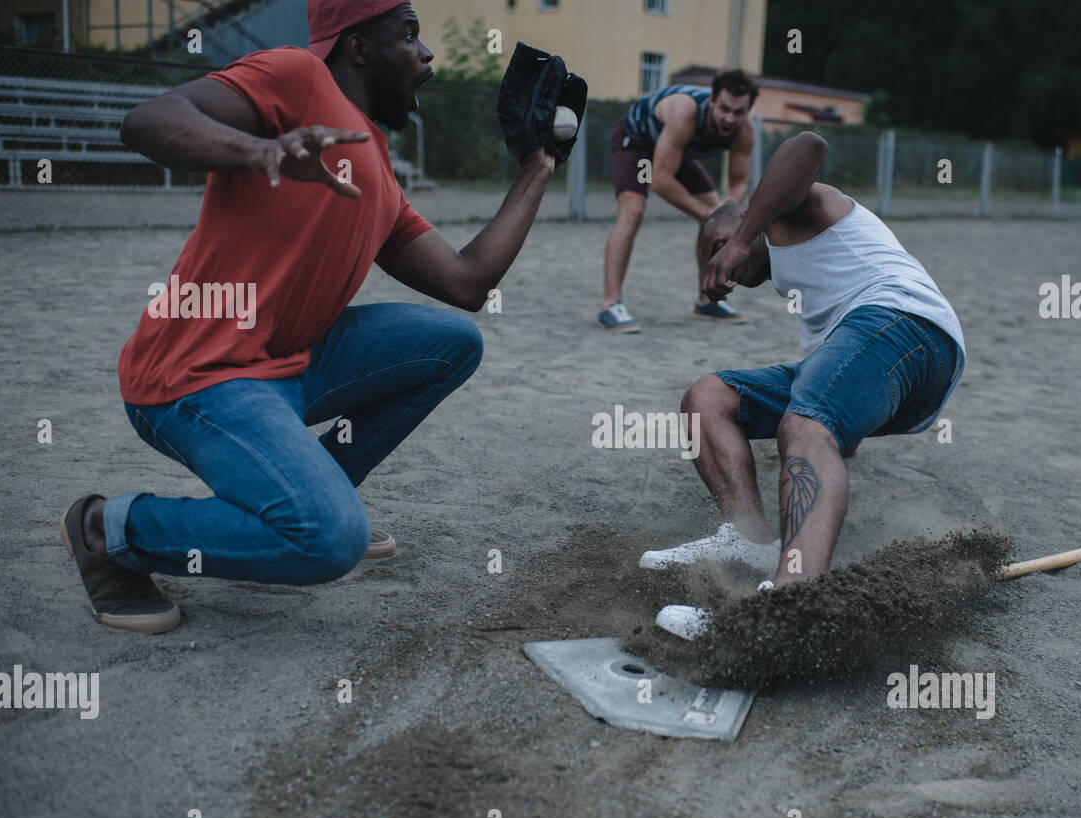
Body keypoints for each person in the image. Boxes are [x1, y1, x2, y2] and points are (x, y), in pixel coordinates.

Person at [60, 0, 583, 633]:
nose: (428, 56)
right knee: (327, 541)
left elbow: (468, 282)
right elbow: (149, 121)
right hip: (199, 377)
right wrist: (259, 151)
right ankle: (104, 530)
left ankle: (320, 490)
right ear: (358, 48)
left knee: (453, 341)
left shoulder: (379, 169)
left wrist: (538, 168)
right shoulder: (296, 76)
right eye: (410, 35)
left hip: (288, 364)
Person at [638, 132, 967, 638]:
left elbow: (810, 145)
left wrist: (746, 235)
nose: (715, 265)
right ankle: (749, 538)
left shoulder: (790, 214)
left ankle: (793, 603)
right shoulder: (811, 295)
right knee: (707, 397)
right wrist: (838, 438)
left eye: (715, 247)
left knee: (804, 423)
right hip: (890, 365)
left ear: (744, 220)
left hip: (908, 326)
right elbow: (840, 384)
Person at [597, 71, 758, 332]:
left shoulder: (745, 131)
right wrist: (707, 212)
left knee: (716, 218)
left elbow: (739, 182)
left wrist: (728, 205)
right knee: (633, 210)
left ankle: (707, 301)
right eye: (725, 108)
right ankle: (610, 304)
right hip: (637, 142)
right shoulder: (686, 113)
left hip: (675, 151)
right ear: (713, 100)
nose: (730, 118)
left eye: (738, 112)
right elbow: (659, 180)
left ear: (748, 111)